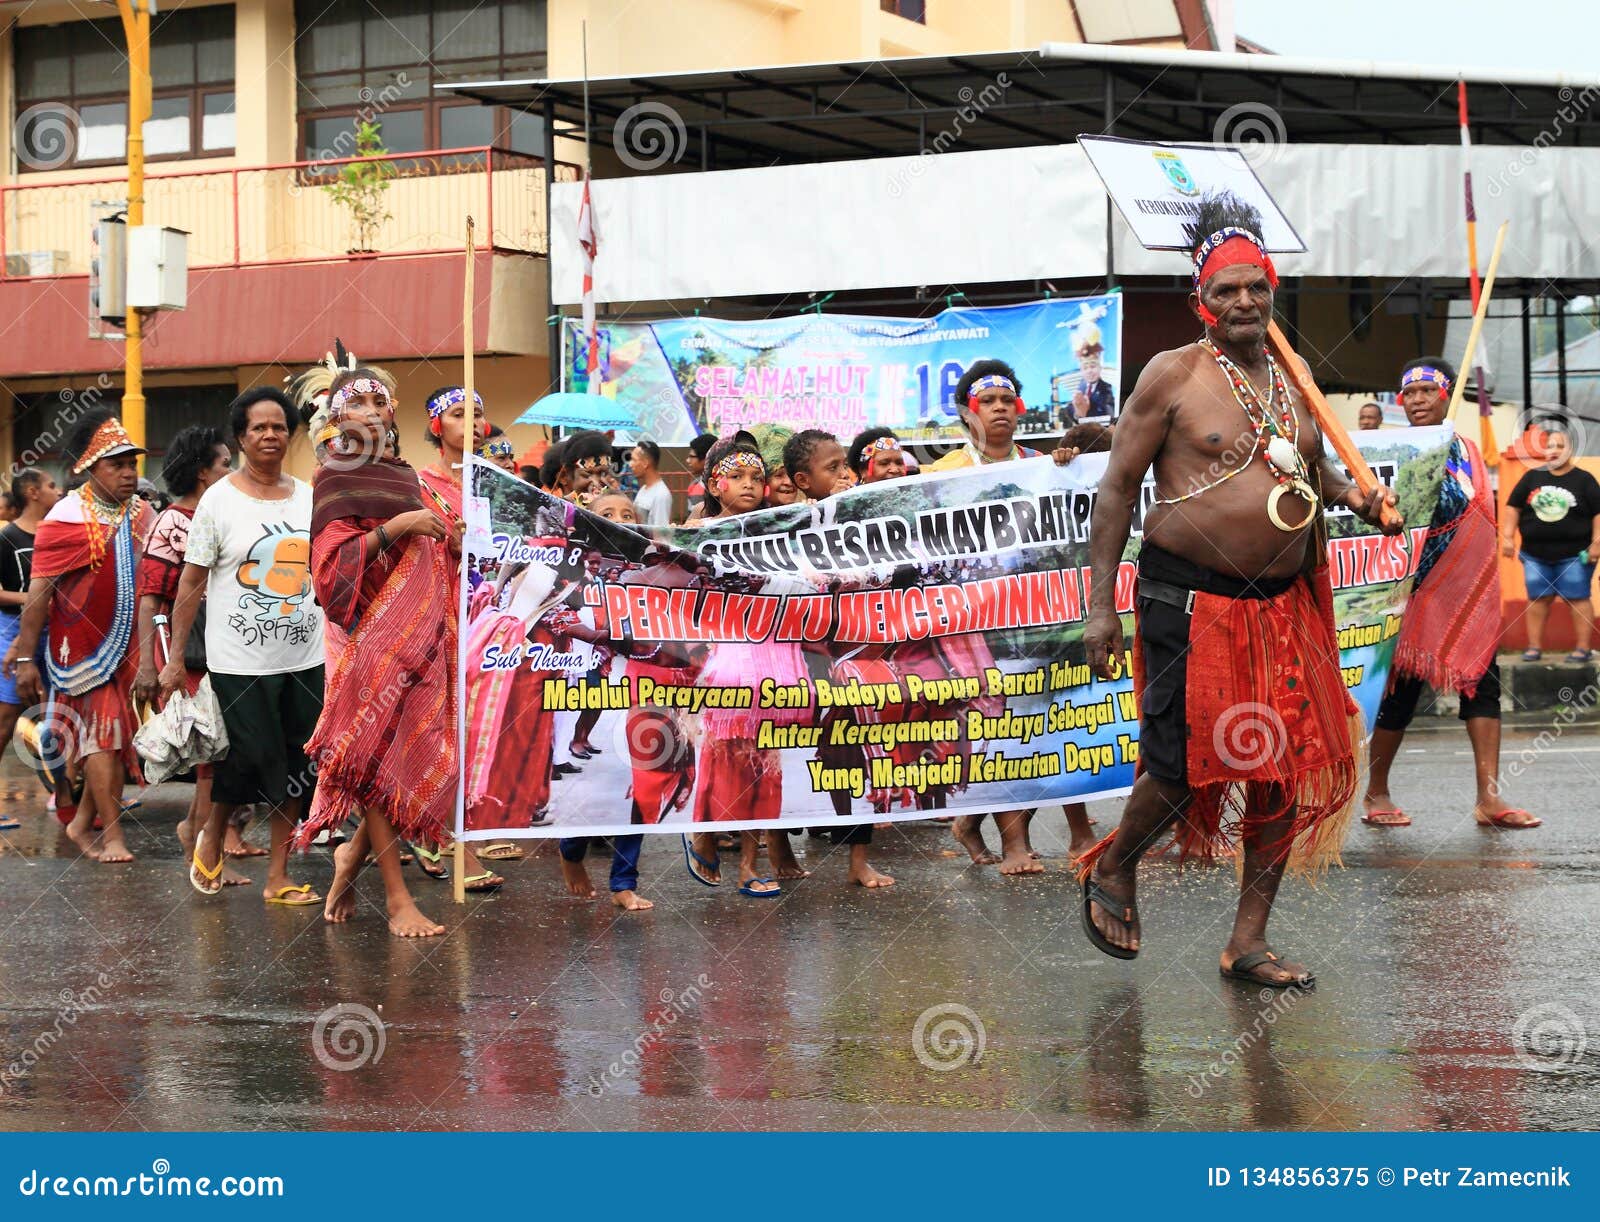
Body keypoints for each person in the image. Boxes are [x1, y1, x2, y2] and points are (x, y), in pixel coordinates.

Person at [1079, 195, 1399, 986]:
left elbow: (1309, 467)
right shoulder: (1172, 374)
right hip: (1189, 601)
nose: (1244, 301)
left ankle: (1247, 943)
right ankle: (1115, 865)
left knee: (1280, 770)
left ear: (1272, 289)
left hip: (1281, 606)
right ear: (1202, 300)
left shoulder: (1294, 376)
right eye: (1226, 290)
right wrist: (1099, 607)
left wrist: (1358, 497)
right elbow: (1116, 490)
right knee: (1181, 768)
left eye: (1256, 286)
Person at [297, 368, 458, 937]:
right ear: (338, 416)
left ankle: (349, 861)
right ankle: (397, 899)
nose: (369, 409)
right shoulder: (332, 478)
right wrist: (402, 525)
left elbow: (428, 548)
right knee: (371, 754)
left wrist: (445, 533)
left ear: (391, 413)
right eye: (357, 401)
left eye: (378, 401)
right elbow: (328, 569)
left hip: (420, 630)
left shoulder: (406, 474)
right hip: (361, 631)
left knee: (406, 753)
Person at [924, 360, 1096, 870]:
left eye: (1006, 401)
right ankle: (1015, 843)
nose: (999, 409)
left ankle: (1080, 832)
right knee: (1008, 729)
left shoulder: (1043, 465)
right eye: (987, 402)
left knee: (1062, 720)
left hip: (1045, 616)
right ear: (967, 412)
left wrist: (1070, 467)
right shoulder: (941, 474)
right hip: (980, 625)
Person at [159, 390, 326, 906]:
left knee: (297, 765)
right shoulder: (219, 499)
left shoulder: (310, 497)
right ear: (240, 437)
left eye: (279, 427)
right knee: (248, 759)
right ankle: (212, 834)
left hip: (306, 657)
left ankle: (279, 876)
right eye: (259, 428)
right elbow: (192, 581)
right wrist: (173, 659)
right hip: (238, 661)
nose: (270, 435)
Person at [1362, 356, 1538, 829]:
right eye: (1409, 394)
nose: (1417, 401)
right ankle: (1376, 792)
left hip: (1464, 593)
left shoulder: (1467, 452)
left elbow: (1479, 513)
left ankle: (1489, 799)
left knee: (1483, 687)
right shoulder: (1392, 450)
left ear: (1447, 394)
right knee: (1399, 696)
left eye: (1427, 391)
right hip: (1411, 591)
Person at [5, 412, 155, 862]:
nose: (128, 473)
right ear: (90, 467)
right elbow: (39, 594)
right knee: (103, 738)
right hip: (80, 650)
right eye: (117, 465)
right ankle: (112, 837)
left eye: (132, 464)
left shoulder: (143, 513)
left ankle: (79, 823)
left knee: (114, 740)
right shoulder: (65, 518)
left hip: (132, 646)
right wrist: (25, 657)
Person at [684, 438, 811, 896]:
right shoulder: (695, 534)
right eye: (736, 477)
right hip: (728, 657)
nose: (750, 485)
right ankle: (704, 833)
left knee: (766, 764)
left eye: (757, 477)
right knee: (724, 760)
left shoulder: (783, 529)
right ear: (713, 485)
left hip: (777, 657)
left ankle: (750, 862)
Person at [133, 426, 260, 881]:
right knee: (212, 756)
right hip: (190, 655)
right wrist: (150, 666)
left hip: (231, 650)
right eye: (224, 462)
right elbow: (150, 597)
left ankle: (199, 837)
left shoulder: (227, 514)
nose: (232, 469)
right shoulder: (172, 521)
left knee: (223, 757)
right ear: (202, 471)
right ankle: (204, 854)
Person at [785, 430, 894, 888]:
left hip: (860, 652)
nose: (844, 475)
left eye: (844, 465)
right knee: (811, 749)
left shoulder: (865, 522)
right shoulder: (787, 528)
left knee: (854, 746)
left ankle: (858, 858)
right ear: (802, 481)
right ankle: (781, 849)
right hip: (812, 656)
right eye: (832, 469)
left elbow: (886, 573)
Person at [416, 385, 511, 886]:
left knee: (473, 733)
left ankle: (440, 834)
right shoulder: (420, 485)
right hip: (441, 620)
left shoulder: (494, 485)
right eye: (458, 414)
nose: (472, 424)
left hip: (488, 622)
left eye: (477, 414)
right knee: (442, 733)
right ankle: (447, 842)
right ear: (437, 426)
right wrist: (449, 545)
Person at [556, 489, 656, 912]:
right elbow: (556, 616)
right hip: (590, 673)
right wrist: (599, 634)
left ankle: (624, 881)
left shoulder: (648, 571)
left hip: (641, 683)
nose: (618, 519)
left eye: (627, 514)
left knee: (642, 782)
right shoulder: (570, 570)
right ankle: (571, 850)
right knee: (601, 783)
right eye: (607, 513)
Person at [1502, 419, 1600, 661]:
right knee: (1538, 598)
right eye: (1550, 446)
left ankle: (1583, 649)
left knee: (1577, 597)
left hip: (1575, 555)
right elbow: (1513, 507)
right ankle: (1534, 648)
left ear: (1571, 450)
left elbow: (1598, 513)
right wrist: (1507, 537)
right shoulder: (1531, 477)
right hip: (1535, 555)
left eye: (1560, 446)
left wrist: (1596, 542)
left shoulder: (1584, 480)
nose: (1554, 450)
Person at [0, 469, 62, 829]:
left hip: (57, 630)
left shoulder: (59, 532)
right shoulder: (7, 538)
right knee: (6, 717)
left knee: (62, 715)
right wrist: (32, 598)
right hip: (12, 629)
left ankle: (68, 794)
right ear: (32, 491)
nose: (58, 491)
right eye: (51, 486)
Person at [1071, 325, 1117, 420]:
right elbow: (1072, 412)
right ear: (1081, 370)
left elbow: (1109, 414)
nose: (1089, 371)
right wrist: (1078, 413)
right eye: (1085, 368)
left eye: (1093, 366)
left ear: (1100, 367)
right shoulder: (1078, 389)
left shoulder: (1106, 389)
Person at [628, 439, 673, 526]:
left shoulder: (661, 495)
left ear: (645, 463)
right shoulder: (644, 489)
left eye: (634, 460)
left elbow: (661, 530)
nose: (630, 464)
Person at [684, 433, 715, 506]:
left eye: (692, 457)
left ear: (706, 458)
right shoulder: (694, 484)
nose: (688, 460)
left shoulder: (720, 487)